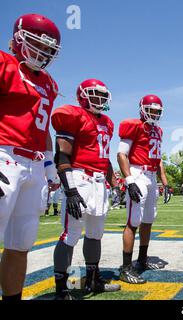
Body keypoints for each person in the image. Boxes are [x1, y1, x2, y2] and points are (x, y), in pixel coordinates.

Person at [0, 13, 61, 301]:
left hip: (34, 163)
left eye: (48, 49)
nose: (43, 53)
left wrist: (50, 168)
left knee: (21, 242)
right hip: (4, 154)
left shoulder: (48, 82)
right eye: (38, 44)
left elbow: (43, 126)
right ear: (20, 38)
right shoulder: (4, 63)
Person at [51, 79, 121, 300]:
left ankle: (93, 280)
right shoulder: (73, 114)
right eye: (94, 94)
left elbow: (105, 158)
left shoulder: (108, 122)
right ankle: (62, 288)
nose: (99, 99)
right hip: (79, 177)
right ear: (82, 95)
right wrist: (70, 190)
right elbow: (62, 155)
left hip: (99, 182)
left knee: (95, 234)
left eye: (102, 95)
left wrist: (116, 183)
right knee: (70, 234)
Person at [117, 94, 168, 284]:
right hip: (137, 173)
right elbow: (121, 154)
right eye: (151, 109)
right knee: (133, 221)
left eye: (157, 111)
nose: (154, 113)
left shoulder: (158, 130)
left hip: (152, 175)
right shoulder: (134, 125)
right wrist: (129, 180)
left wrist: (163, 178)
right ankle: (126, 268)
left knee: (148, 220)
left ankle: (142, 260)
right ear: (142, 108)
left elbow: (158, 157)